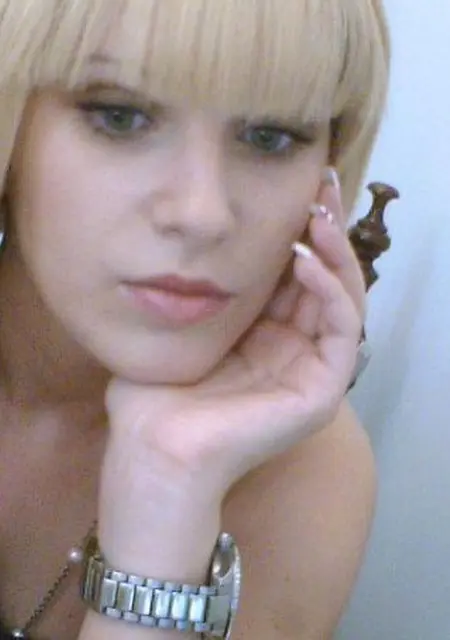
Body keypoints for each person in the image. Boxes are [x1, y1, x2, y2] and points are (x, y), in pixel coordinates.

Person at [0, 1, 389, 638]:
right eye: (120, 116)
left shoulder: (307, 475)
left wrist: (167, 488)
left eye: (270, 136)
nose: (203, 214)